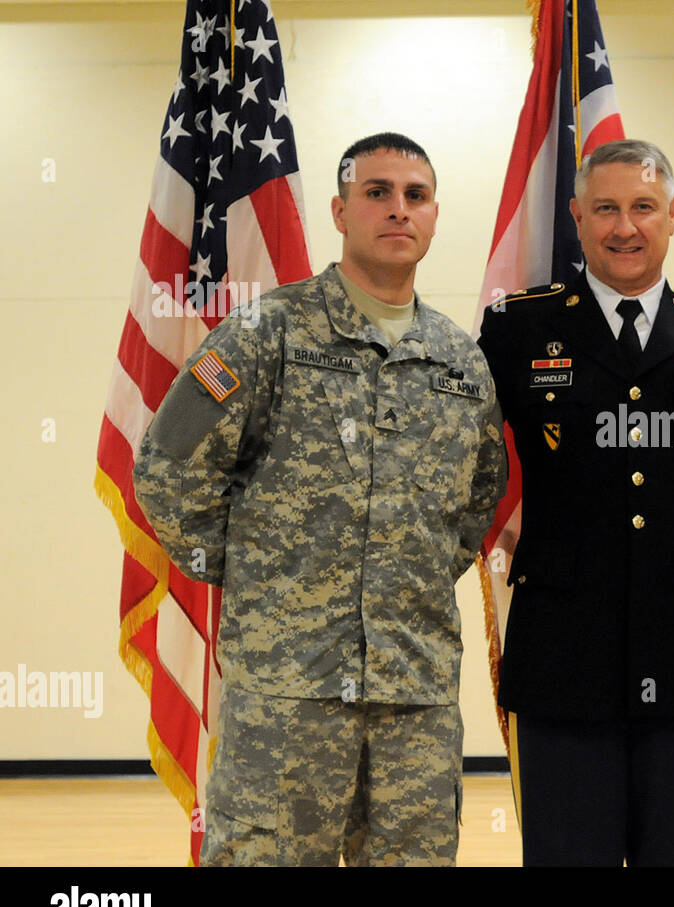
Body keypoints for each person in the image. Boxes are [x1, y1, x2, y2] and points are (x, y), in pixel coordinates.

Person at [133, 132, 507, 866]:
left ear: (433, 215)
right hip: (287, 693)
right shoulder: (266, 333)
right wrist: (251, 575)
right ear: (339, 210)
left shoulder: (461, 360)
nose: (398, 209)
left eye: (415, 195)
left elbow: (475, 507)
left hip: (414, 696)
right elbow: (168, 470)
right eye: (377, 193)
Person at [477, 139, 674, 866]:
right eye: (606, 209)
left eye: (643, 207)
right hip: (564, 658)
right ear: (576, 216)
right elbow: (467, 463)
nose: (624, 227)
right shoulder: (517, 330)